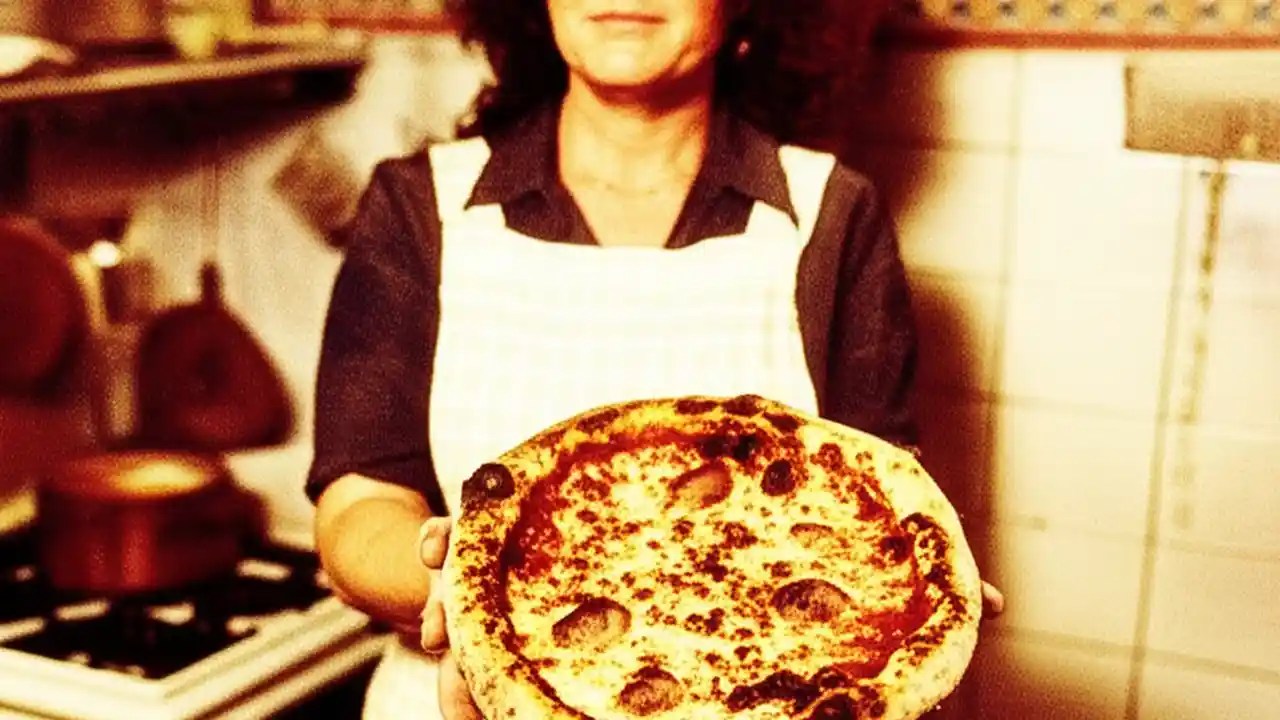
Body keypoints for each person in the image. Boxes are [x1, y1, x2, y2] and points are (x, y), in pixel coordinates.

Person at [307, 1, 1003, 718]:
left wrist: (923, 605)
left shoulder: (836, 213)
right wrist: (476, 592)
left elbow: (881, 527)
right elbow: (358, 508)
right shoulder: (418, 204)